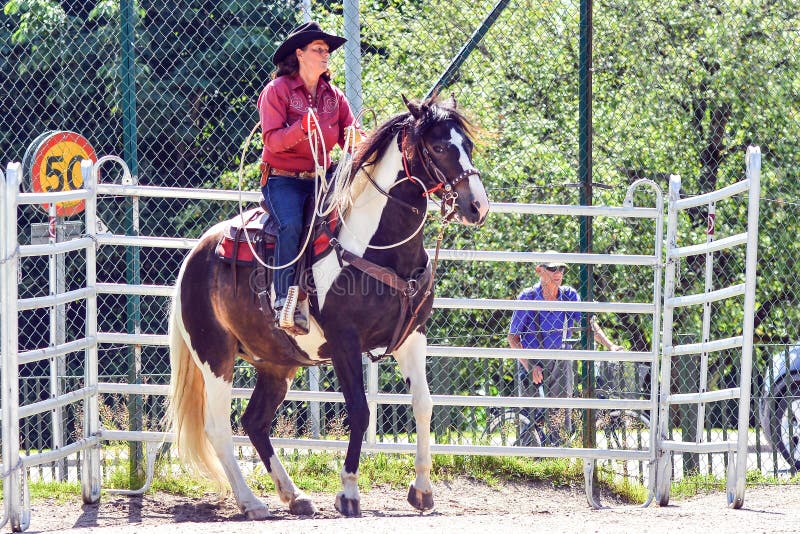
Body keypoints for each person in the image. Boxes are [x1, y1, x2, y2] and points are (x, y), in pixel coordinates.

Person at [258, 21, 360, 335]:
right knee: (291, 225)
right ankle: (282, 301)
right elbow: (272, 141)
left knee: (348, 220)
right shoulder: (277, 91)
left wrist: (362, 142)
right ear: (299, 53)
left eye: (327, 50)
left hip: (322, 178)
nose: (325, 54)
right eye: (318, 49)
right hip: (283, 180)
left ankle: (339, 296)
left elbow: (351, 137)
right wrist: (302, 128)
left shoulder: (335, 97)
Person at [507, 252, 623, 445]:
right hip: (533, 360)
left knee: (560, 416)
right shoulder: (527, 297)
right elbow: (513, 338)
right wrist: (529, 366)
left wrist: (610, 345)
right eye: (552, 268)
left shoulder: (569, 295)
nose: (558, 273)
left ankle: (558, 458)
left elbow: (588, 324)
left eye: (561, 269)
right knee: (530, 417)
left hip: (561, 360)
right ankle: (529, 460)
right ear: (539, 270)